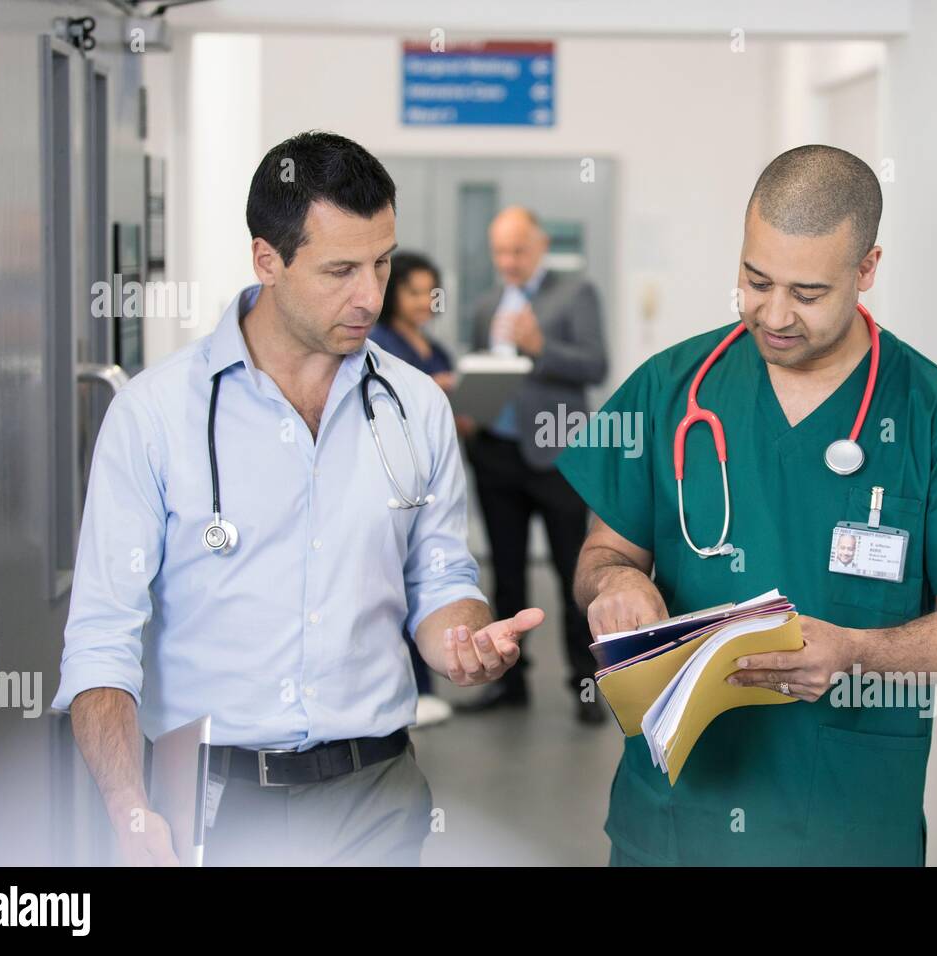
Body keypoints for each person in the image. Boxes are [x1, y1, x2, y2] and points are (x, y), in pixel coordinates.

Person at [557, 145, 937, 866]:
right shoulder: (670, 389)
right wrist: (616, 582)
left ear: (866, 270)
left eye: (807, 292)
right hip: (672, 827)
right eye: (754, 280)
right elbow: (603, 554)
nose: (773, 313)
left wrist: (857, 651)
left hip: (849, 829)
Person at [51, 131, 543, 867]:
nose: (371, 296)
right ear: (267, 260)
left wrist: (465, 640)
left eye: (381, 263)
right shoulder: (155, 415)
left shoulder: (415, 405)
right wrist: (129, 810)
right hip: (209, 797)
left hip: (377, 789)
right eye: (340, 270)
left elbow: (439, 579)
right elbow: (101, 642)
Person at [460, 206, 608, 723]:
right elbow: (483, 370)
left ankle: (586, 684)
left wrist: (541, 348)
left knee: (575, 571)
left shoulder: (575, 293)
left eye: (518, 250)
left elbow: (595, 364)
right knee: (506, 570)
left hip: (557, 456)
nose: (509, 260)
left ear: (541, 246)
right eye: (501, 250)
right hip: (495, 453)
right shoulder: (484, 306)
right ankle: (509, 685)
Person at [371, 250, 457, 728]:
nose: (425, 300)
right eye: (413, 290)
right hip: (396, 478)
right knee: (397, 576)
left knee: (432, 569)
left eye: (431, 290)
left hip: (429, 475)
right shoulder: (380, 346)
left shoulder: (433, 347)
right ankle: (412, 690)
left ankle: (424, 686)